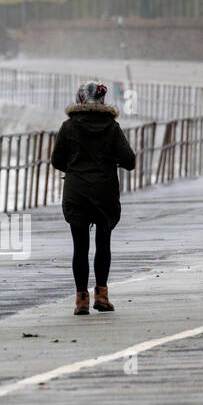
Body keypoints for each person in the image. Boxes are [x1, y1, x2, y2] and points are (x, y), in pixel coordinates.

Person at [50, 81, 135, 315]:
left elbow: (57, 160)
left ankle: (81, 301)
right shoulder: (112, 127)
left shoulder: (68, 127)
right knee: (103, 243)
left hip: (76, 191)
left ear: (79, 100)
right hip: (104, 192)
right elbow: (129, 160)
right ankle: (102, 295)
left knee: (80, 247)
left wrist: (76, 166)